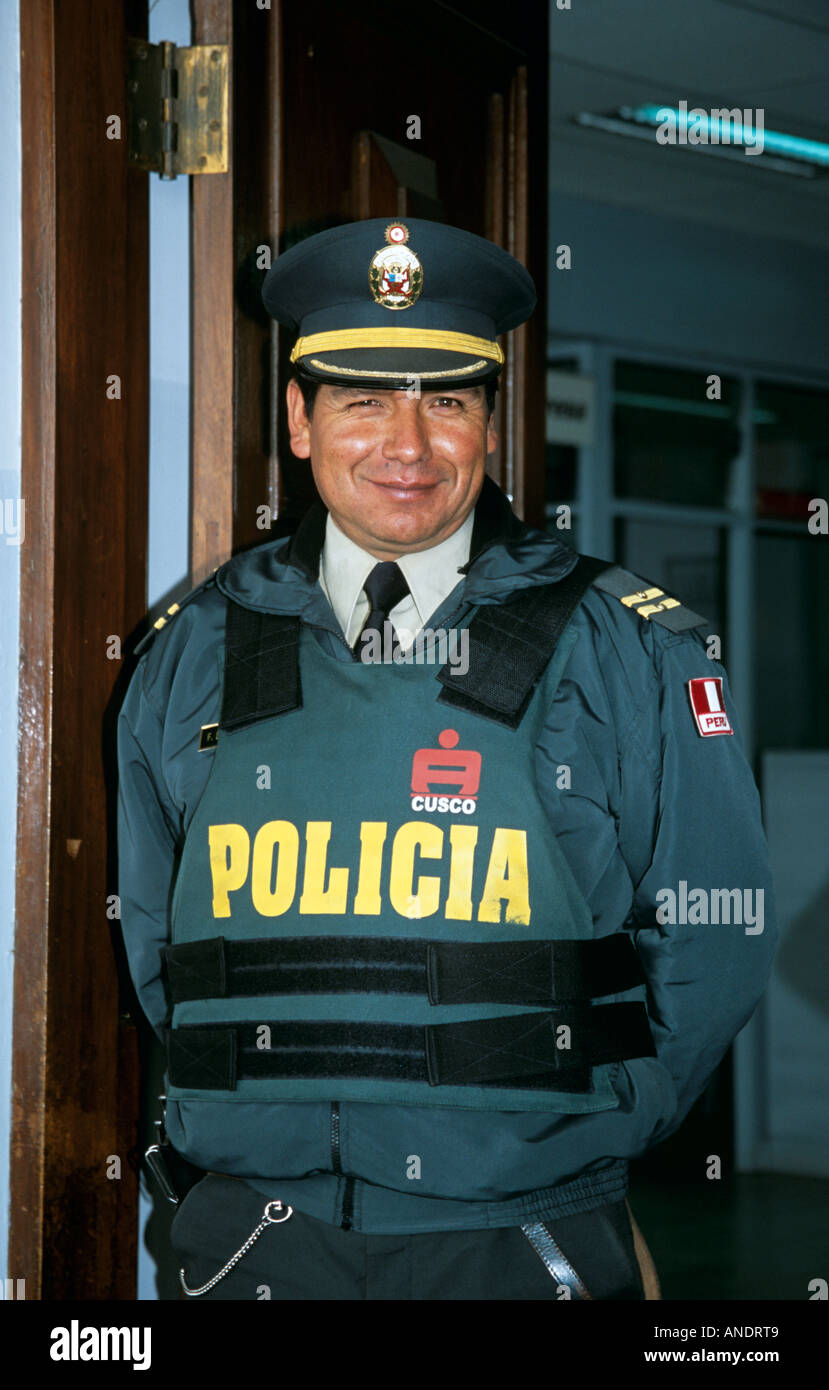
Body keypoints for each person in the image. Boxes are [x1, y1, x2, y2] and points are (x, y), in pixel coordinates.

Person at [117, 217, 777, 1301]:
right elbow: (158, 947)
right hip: (255, 1238)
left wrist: (595, 1130)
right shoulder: (193, 646)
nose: (407, 446)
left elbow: (717, 929)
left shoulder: (627, 643)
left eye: (447, 400)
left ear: (490, 424)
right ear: (298, 418)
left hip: (520, 1235)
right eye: (363, 400)